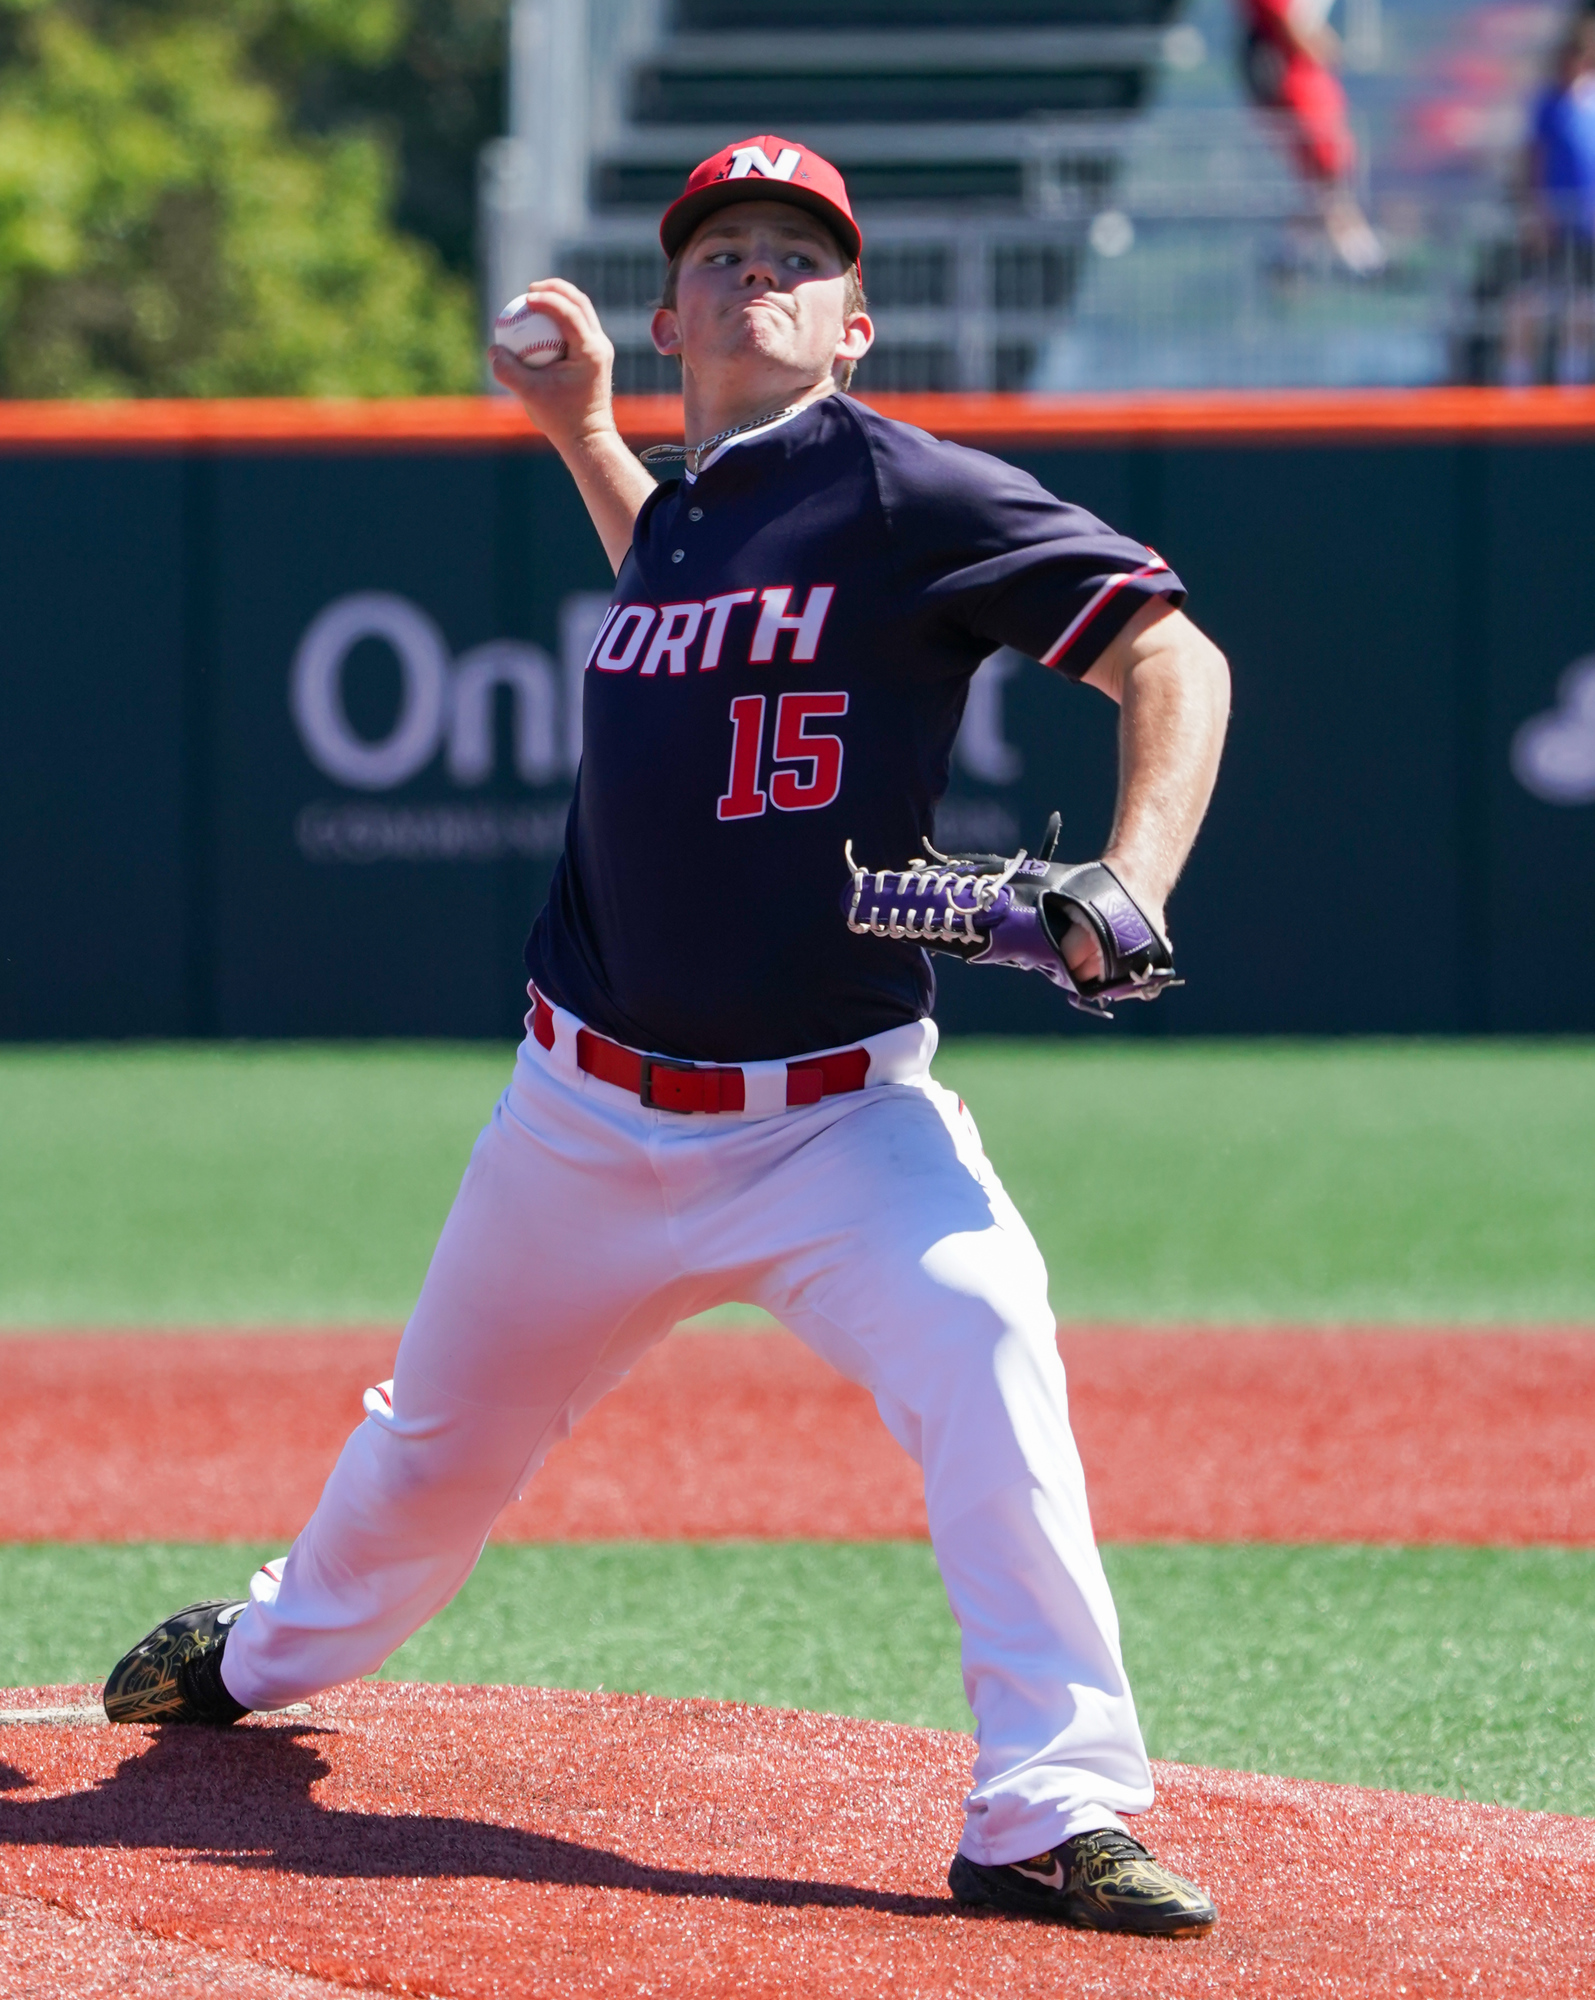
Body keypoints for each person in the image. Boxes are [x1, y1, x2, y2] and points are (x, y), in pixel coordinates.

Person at [105, 136, 1231, 1939]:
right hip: (582, 1112)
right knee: (428, 1459)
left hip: (832, 1124)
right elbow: (681, 588)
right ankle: (261, 1653)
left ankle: (1052, 1806)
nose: (756, 274)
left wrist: (1133, 873)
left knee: (987, 1340)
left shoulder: (906, 496)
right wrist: (582, 433)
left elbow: (1173, 655)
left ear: (855, 324)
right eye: (724, 252)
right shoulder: (694, 502)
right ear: (673, 308)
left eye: (797, 255)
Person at [1238, 0, 1386, 274]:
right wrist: (1322, 44)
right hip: (1294, 87)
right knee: (1325, 179)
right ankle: (1357, 255)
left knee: (1326, 184)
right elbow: (1297, 32)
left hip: (1304, 87)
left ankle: (1314, 250)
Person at [1505, 17, 1595, 383]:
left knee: (1583, 301)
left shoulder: (1590, 99)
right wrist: (1536, 212)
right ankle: (1518, 376)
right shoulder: (1547, 103)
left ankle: (1574, 375)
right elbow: (1533, 160)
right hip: (1554, 218)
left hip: (1586, 220)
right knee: (1534, 296)